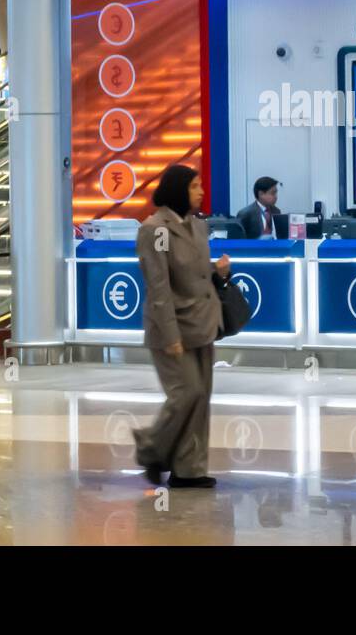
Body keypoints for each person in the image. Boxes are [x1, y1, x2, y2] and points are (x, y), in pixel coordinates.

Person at [133, 164, 230, 489]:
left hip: (203, 322)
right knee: (186, 392)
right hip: (172, 326)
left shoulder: (197, 226)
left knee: (201, 396)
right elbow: (159, 286)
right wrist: (171, 335)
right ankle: (151, 447)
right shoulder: (155, 230)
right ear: (178, 190)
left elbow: (197, 271)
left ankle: (189, 469)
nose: (201, 192)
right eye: (195, 186)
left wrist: (217, 270)